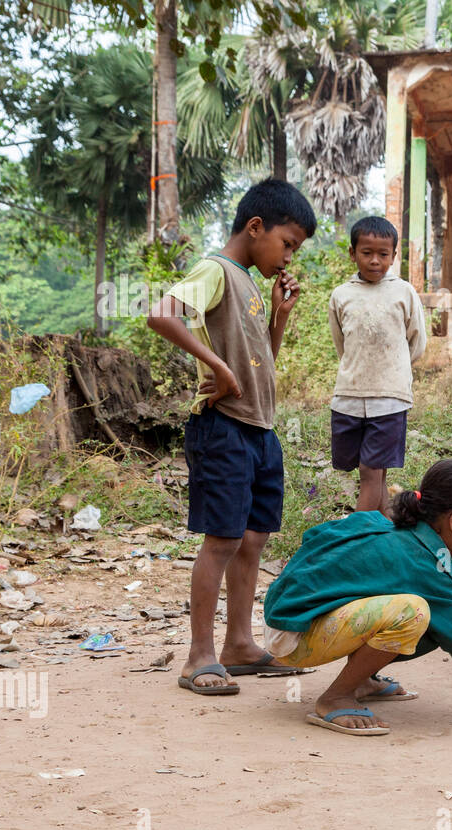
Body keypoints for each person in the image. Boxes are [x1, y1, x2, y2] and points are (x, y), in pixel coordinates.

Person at [147, 178, 316, 696]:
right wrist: (216, 368)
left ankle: (239, 644)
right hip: (223, 428)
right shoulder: (216, 270)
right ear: (256, 227)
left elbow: (260, 360)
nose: (288, 257)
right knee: (222, 539)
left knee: (253, 539)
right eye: (287, 244)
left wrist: (279, 317)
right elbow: (161, 313)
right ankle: (198, 656)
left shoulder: (248, 282)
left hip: (260, 428)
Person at [261, 459, 452, 735]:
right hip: (294, 637)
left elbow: (315, 537)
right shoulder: (428, 567)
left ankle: (362, 679)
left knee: (429, 621)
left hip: (284, 617)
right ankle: (336, 697)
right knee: (414, 613)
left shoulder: (387, 525)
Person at [328, 215, 426, 515]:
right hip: (349, 398)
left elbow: (416, 341)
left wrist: (393, 369)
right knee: (373, 473)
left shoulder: (404, 292)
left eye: (383, 254)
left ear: (394, 256)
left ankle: (354, 540)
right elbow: (341, 343)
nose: (374, 261)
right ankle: (385, 530)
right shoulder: (342, 295)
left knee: (371, 472)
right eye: (366, 253)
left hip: (389, 399)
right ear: (352, 253)